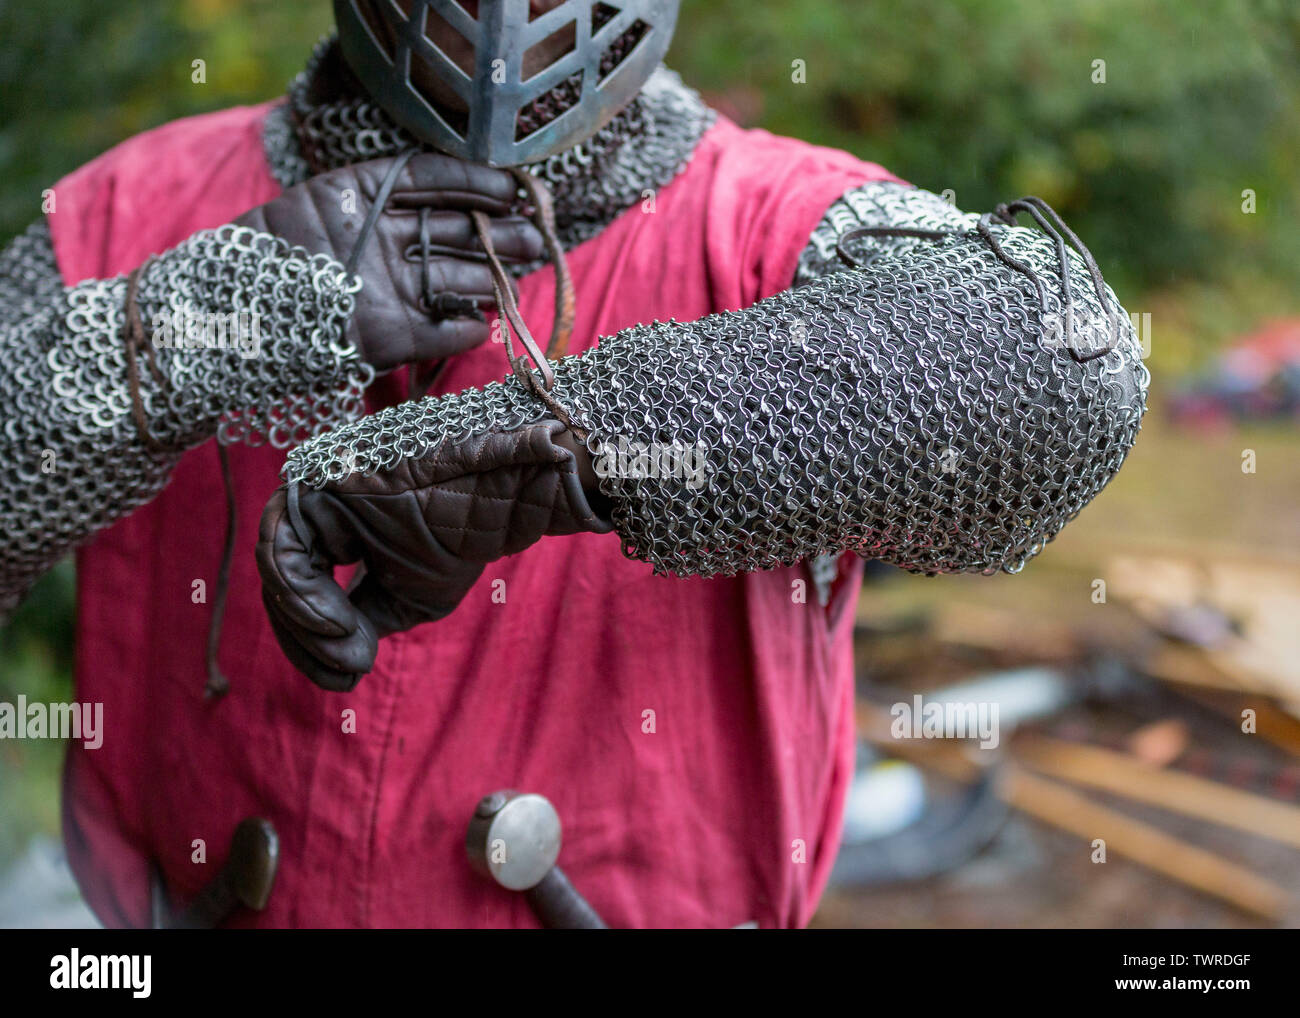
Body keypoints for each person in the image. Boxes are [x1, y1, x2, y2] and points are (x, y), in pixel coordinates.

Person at [0, 0, 1147, 928]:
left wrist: (554, 454)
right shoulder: (124, 210)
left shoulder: (772, 226)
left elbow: (1059, 366)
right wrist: (174, 332)